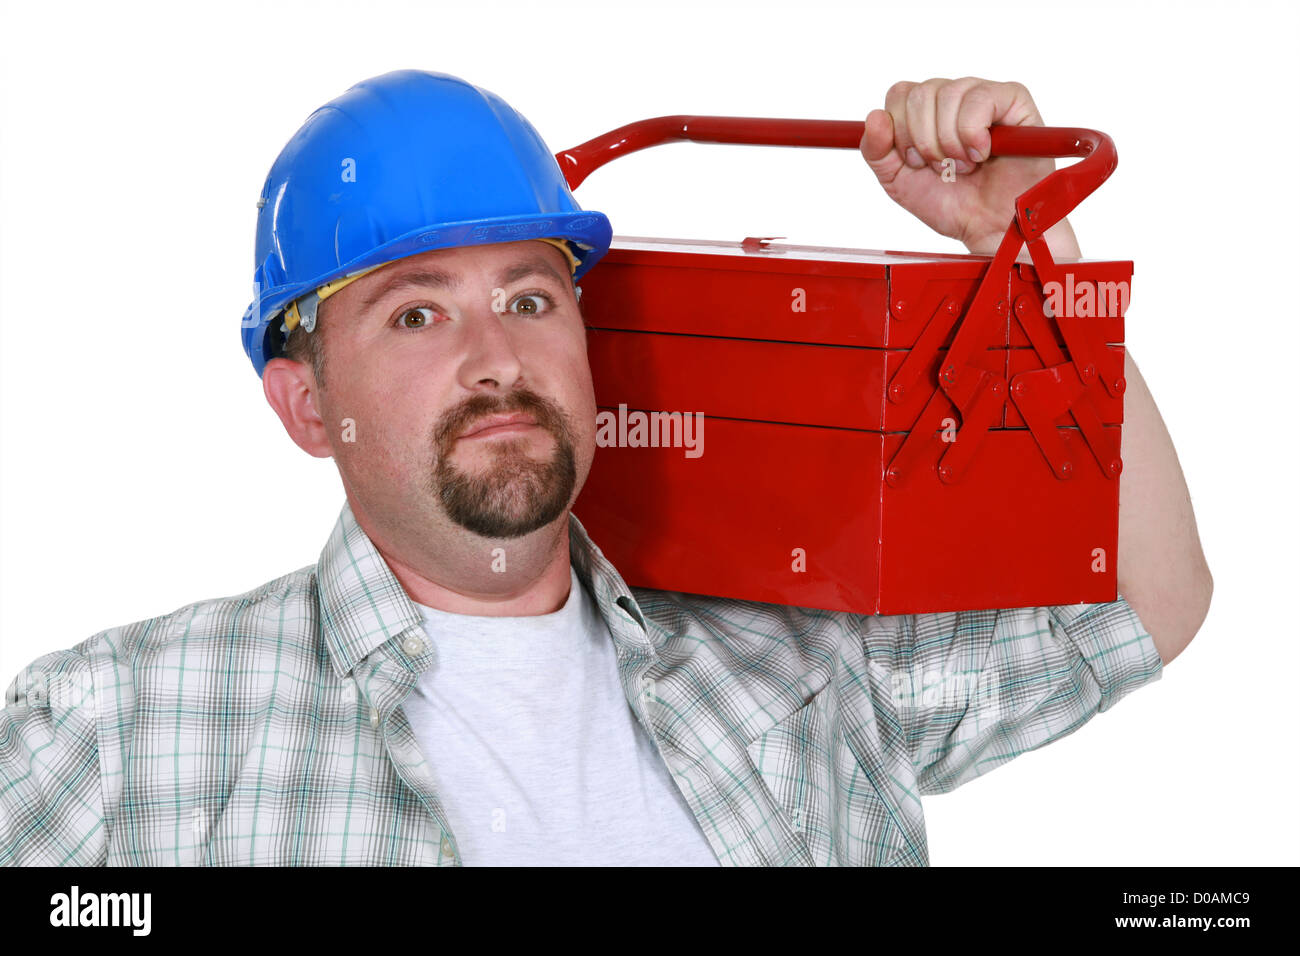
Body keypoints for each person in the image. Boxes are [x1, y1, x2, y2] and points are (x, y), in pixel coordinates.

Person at [0, 70, 1211, 867]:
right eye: (415, 317)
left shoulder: (799, 663)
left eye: (529, 295)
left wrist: (1026, 246)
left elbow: (1143, 598)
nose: (495, 358)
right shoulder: (120, 731)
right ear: (306, 403)